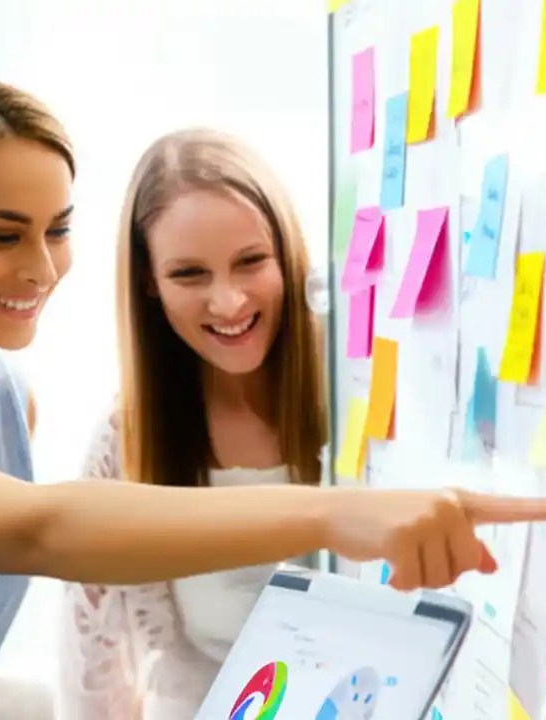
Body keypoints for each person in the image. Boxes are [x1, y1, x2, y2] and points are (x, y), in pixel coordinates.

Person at [0, 77, 546, 717]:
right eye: (2, 235)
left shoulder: (10, 396)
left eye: (58, 229)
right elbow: (35, 530)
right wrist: (339, 515)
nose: (41, 269)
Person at [56, 128, 353, 718]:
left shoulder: (356, 391)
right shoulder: (127, 441)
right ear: (149, 282)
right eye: (190, 274)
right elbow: (91, 674)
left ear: (288, 255)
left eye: (251, 262)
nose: (229, 302)